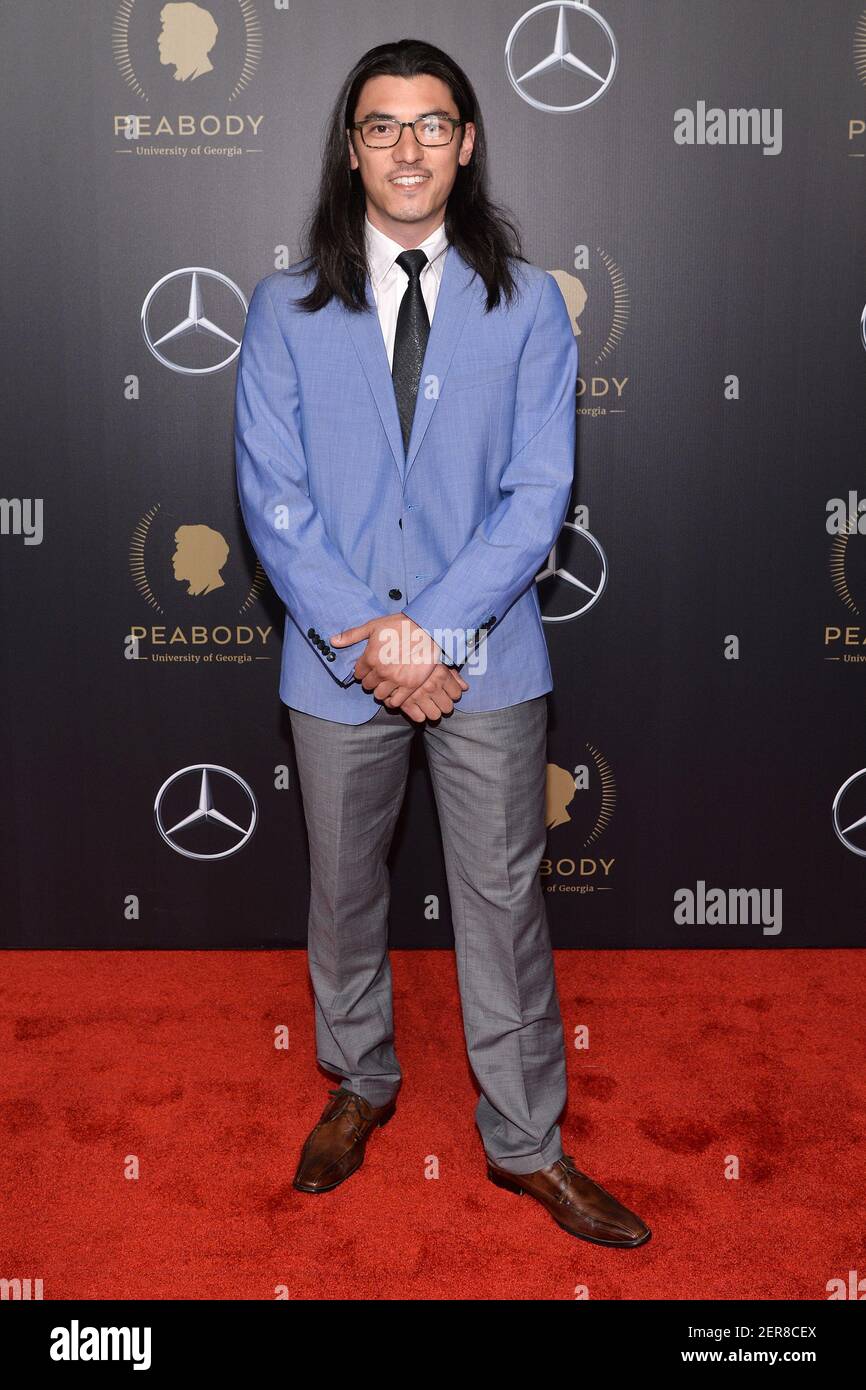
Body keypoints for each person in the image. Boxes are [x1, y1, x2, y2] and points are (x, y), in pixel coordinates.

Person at [234, 36, 649, 1247]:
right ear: (350, 149)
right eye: (382, 125)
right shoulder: (283, 309)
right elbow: (272, 497)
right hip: (337, 662)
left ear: (466, 144)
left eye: (430, 124)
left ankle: (525, 1140)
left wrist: (435, 636)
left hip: (488, 660)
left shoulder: (526, 305)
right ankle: (358, 1081)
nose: (406, 147)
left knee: (503, 901)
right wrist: (370, 640)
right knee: (341, 890)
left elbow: (536, 495)